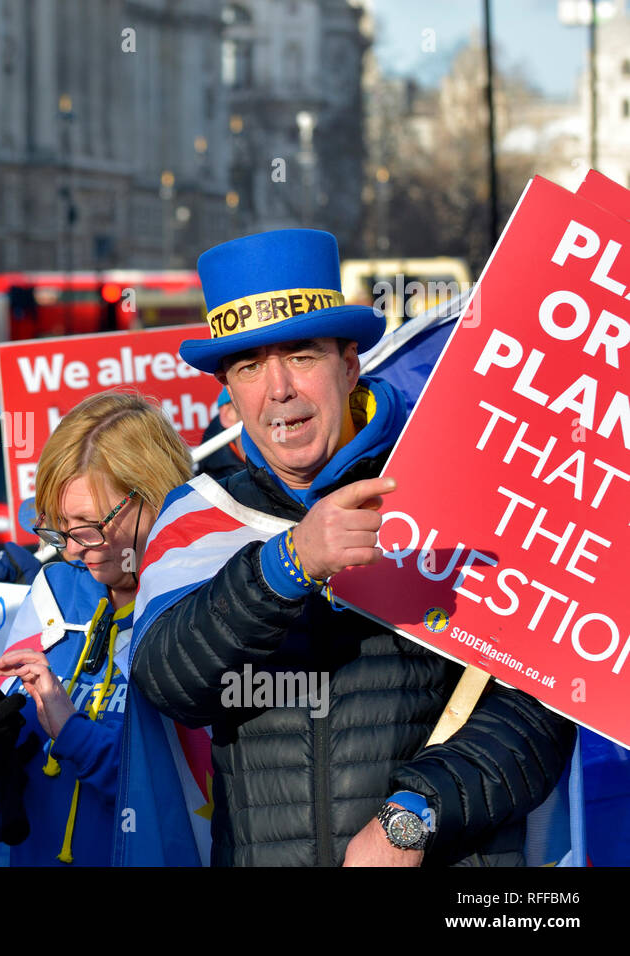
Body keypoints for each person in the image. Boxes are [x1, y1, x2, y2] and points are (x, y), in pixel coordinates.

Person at [120, 228, 574, 866]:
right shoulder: (198, 513)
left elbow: (541, 709)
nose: (278, 389)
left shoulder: (456, 485)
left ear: (350, 363)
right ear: (229, 388)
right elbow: (168, 682)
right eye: (249, 367)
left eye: (301, 356)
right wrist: (287, 565)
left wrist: (412, 819)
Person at [0, 391, 192, 865]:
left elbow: (181, 789)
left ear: (153, 496)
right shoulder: (52, 592)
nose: (73, 551)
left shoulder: (196, 601)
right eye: (57, 529)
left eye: (87, 526)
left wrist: (72, 731)